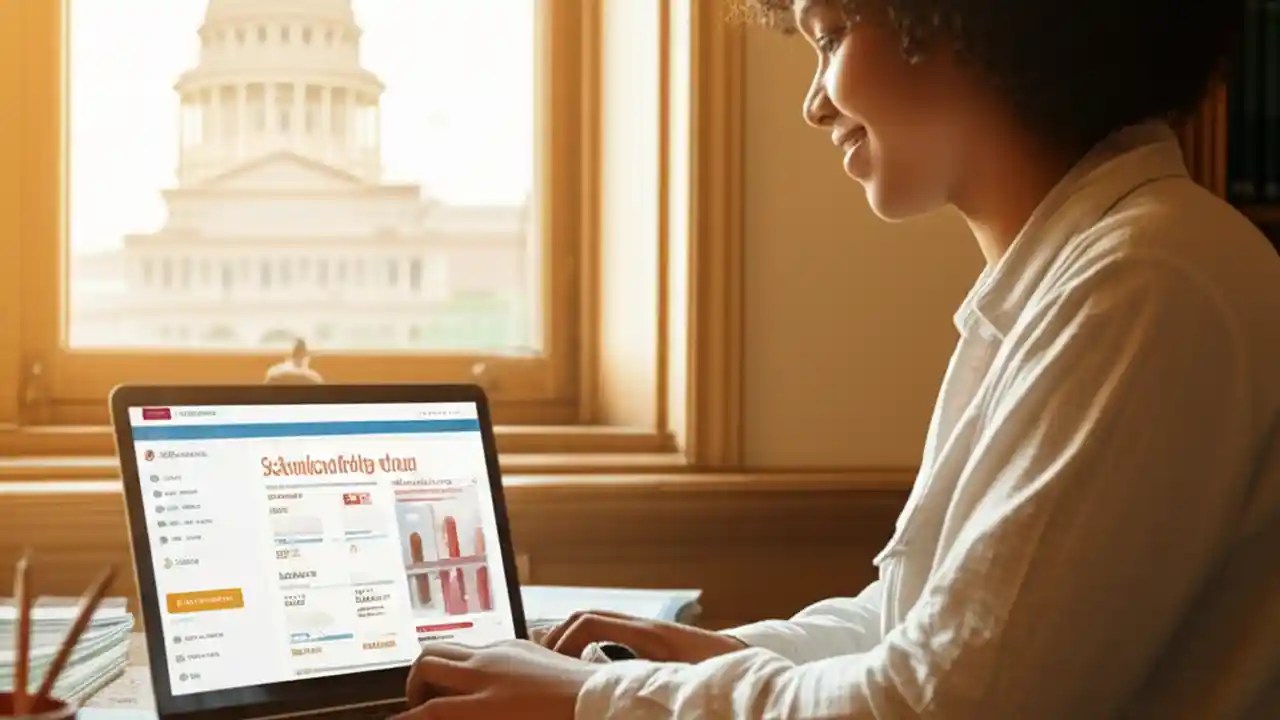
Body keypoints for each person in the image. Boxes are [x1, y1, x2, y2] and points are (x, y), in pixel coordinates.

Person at [394, 0, 1280, 717]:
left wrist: (600, 700)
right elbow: (917, 625)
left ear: (959, 22)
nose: (815, 102)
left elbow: (945, 702)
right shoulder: (1081, 275)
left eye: (828, 37)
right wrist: (720, 656)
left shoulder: (1145, 281)